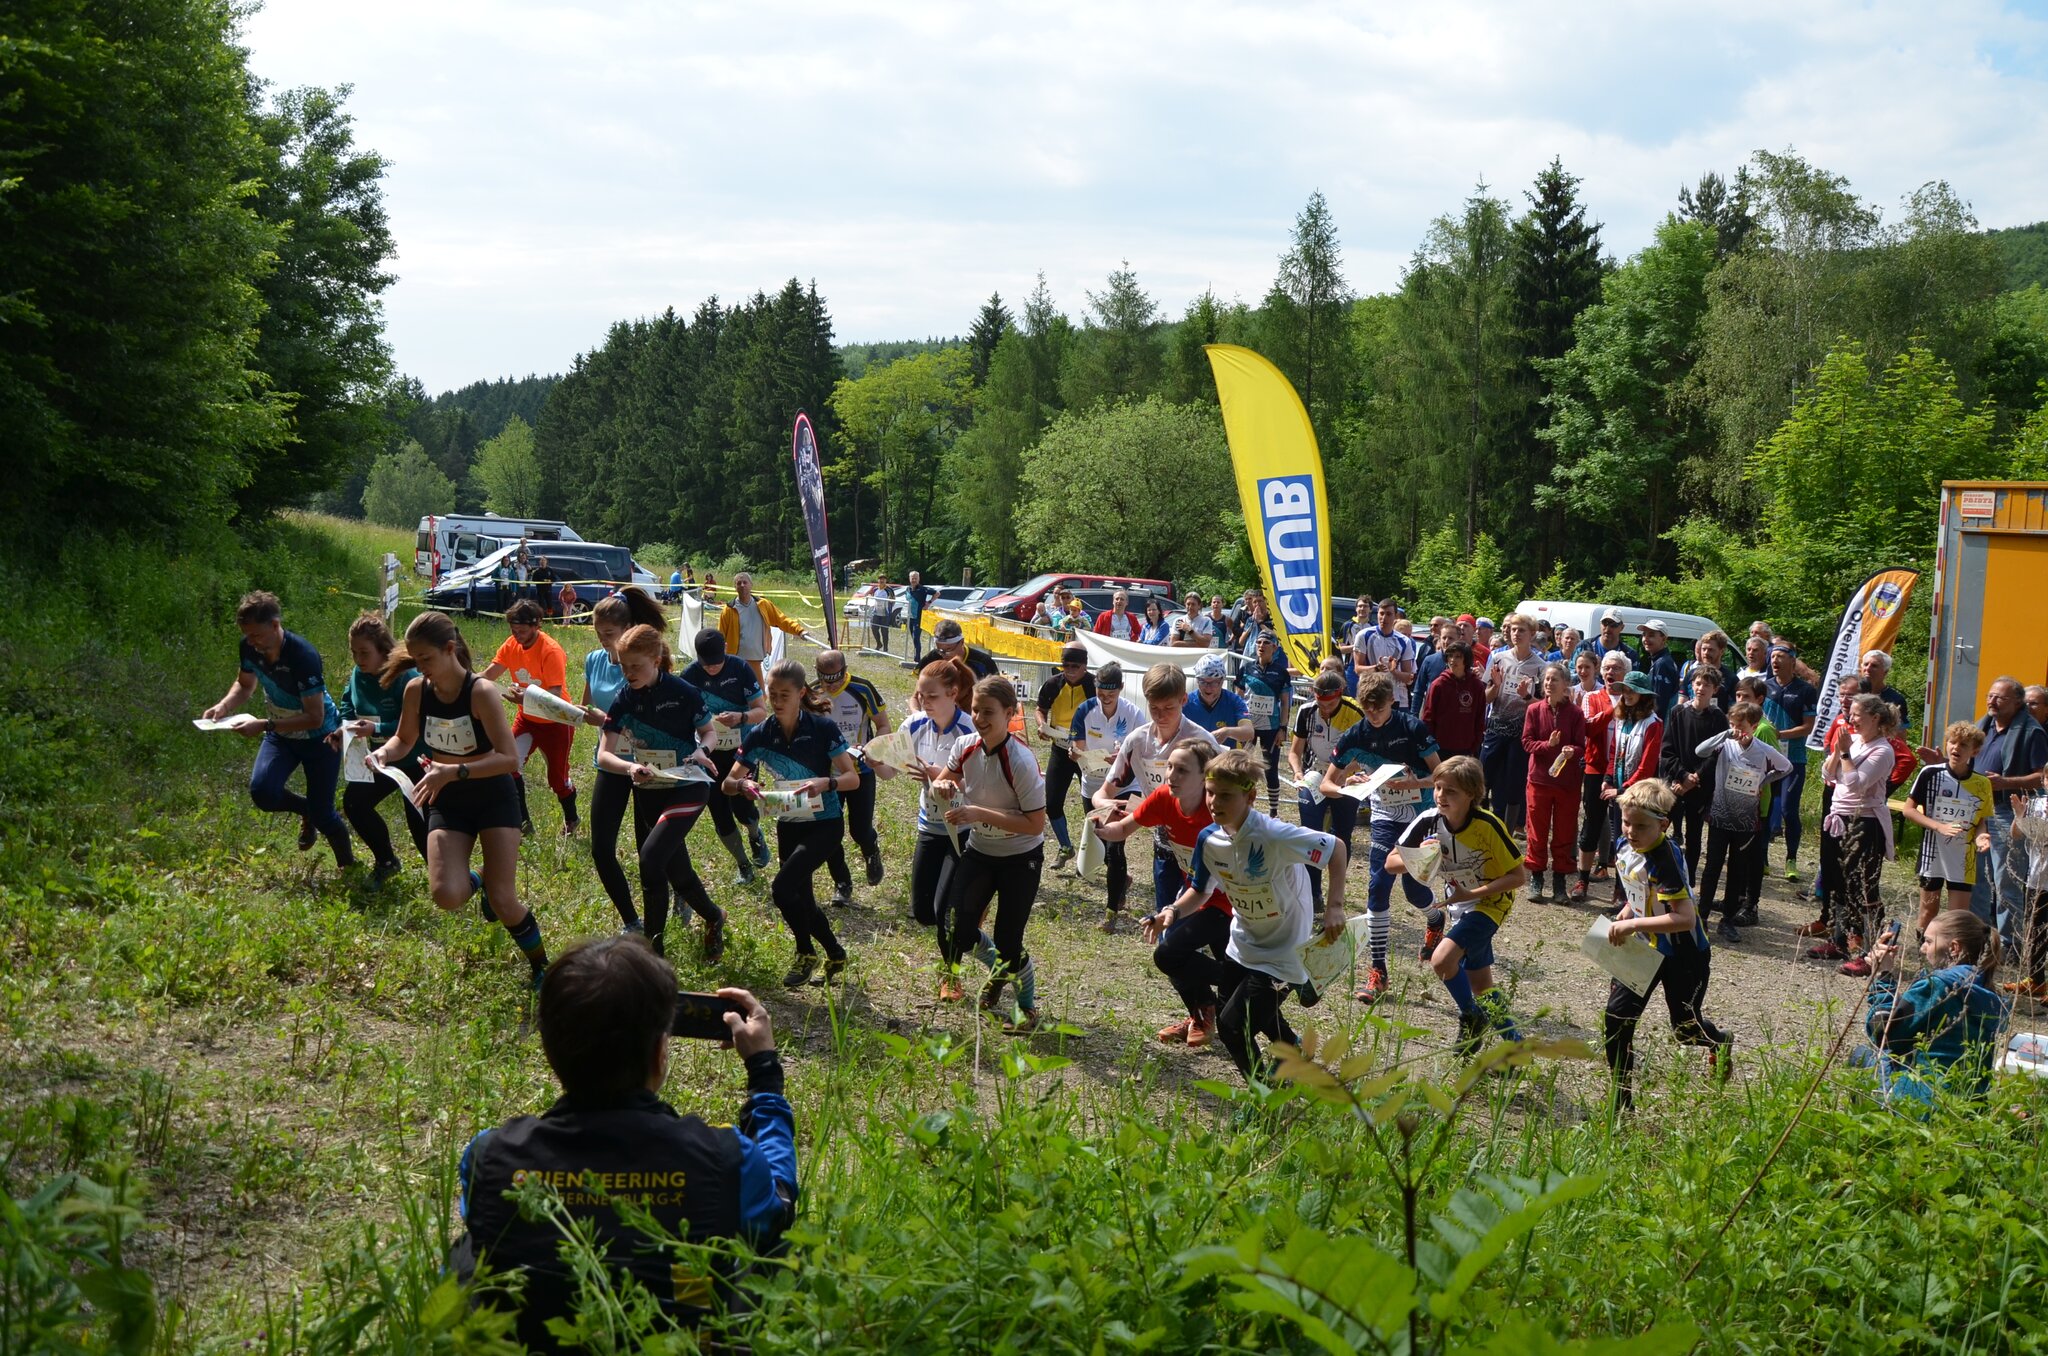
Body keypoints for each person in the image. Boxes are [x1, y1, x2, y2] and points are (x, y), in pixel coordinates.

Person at [451, 940, 793, 1346]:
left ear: (548, 1049)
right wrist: (764, 1072)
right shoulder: (725, 1159)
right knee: (761, 1254)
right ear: (660, 1054)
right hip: (674, 1341)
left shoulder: (491, 1157)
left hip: (539, 1340)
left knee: (470, 1249)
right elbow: (779, 1201)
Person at [367, 611, 548, 991]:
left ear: (450, 649)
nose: (420, 668)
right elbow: (403, 739)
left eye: (426, 659)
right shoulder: (416, 690)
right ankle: (476, 879)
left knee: (504, 899)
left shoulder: (480, 692)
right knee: (446, 895)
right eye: (415, 661)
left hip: (493, 798)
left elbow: (509, 758)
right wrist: (383, 753)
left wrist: (453, 770)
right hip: (447, 799)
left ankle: (542, 968)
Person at [1169, 748, 1348, 1083]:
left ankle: (1262, 1094)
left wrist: (1335, 906)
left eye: (1225, 795)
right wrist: (1172, 911)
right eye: (1210, 793)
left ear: (1250, 796)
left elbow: (1335, 848)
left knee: (1233, 1027)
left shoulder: (1274, 835)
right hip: (1243, 945)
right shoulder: (1209, 839)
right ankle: (1291, 1051)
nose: (1213, 802)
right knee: (1235, 1016)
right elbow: (1202, 891)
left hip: (1284, 953)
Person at [1600, 778, 1734, 1111]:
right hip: (1643, 949)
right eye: (1627, 822)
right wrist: (1627, 911)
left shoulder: (1667, 858)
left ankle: (1720, 1041)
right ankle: (1621, 1102)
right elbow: (1641, 891)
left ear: (1663, 825)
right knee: (1617, 1020)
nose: (1631, 831)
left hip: (1684, 954)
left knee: (1685, 1031)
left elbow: (1685, 918)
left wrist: (1632, 923)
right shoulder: (1623, 846)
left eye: (1641, 826)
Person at [722, 659, 858, 987]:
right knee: (803, 899)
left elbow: (852, 778)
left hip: (824, 823)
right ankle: (835, 954)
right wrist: (744, 786)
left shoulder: (822, 728)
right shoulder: (760, 733)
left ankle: (804, 952)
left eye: (785, 694)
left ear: (801, 694)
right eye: (773, 693)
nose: (778, 700)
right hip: (789, 821)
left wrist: (826, 783)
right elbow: (727, 783)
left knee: (782, 888)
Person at [597, 625, 725, 962]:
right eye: (623, 666)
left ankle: (653, 955)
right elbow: (603, 755)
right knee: (677, 873)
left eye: (635, 666)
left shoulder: (683, 691)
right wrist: (628, 769)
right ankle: (714, 917)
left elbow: (709, 733)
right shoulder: (624, 698)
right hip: (650, 788)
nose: (628, 674)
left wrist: (703, 752)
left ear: (656, 660)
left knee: (651, 859)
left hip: (688, 785)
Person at [200, 590, 353, 870]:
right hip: (281, 735)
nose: (252, 642)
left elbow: (315, 718)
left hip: (321, 738)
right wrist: (223, 706)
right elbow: (245, 685)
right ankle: (307, 810)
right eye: (247, 635)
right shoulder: (248, 647)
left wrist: (264, 725)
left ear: (275, 625)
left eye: (257, 635)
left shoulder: (302, 656)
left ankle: (348, 867)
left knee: (325, 814)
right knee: (263, 792)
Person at [1386, 755, 1527, 1058]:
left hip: (1489, 903)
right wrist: (1419, 858)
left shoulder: (1488, 826)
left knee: (1441, 960)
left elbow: (1518, 877)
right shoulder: (1428, 821)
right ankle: (1515, 1044)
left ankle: (1471, 1017)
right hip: (1459, 905)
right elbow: (1390, 864)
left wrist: (1472, 893)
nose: (1440, 796)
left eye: (1451, 791)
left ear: (1473, 795)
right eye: (1437, 788)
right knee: (1480, 984)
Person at [932, 675, 1050, 1031]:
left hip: (1021, 858)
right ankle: (1000, 971)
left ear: (1010, 713)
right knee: (959, 930)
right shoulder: (965, 745)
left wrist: (978, 813)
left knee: (1009, 940)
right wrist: (942, 784)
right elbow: (948, 776)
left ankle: (1026, 1007)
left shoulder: (1021, 761)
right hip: (980, 850)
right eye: (975, 711)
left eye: (989, 712)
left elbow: (1035, 824)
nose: (980, 718)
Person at [1320, 670, 1440, 1004]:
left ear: (1392, 701)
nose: (1373, 714)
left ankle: (1435, 918)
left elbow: (1440, 773)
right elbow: (1326, 784)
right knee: (1378, 886)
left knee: (1414, 888)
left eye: (1379, 708)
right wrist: (1350, 786)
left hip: (1419, 814)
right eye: (1367, 708)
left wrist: (1413, 784)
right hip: (1385, 815)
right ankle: (1378, 972)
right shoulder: (1356, 734)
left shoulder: (1411, 728)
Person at [1099, 740, 1229, 1047]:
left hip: (1232, 903)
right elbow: (1124, 827)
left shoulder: (1220, 814)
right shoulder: (1163, 798)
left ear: (1205, 778)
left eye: (1182, 770)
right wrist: (1103, 830)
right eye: (1169, 766)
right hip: (1196, 895)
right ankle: (1202, 1013)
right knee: (1170, 951)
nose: (1171, 775)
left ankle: (1248, 1001)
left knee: (1225, 974)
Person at [1099, 664, 1222, 932]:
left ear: (1183, 700)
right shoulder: (1137, 741)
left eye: (1169, 708)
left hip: (1205, 846)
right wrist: (1107, 807)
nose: (1161, 715)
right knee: (1168, 923)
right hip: (1165, 846)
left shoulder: (1203, 742)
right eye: (1154, 708)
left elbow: (1226, 796)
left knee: (1204, 926)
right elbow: (1103, 793)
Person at [577, 588, 670, 931]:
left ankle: (671, 902)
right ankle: (632, 922)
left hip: (649, 766)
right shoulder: (593, 660)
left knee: (652, 851)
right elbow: (588, 709)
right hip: (612, 764)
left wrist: (611, 721)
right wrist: (536, 699)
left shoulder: (646, 664)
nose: (603, 641)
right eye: (598, 634)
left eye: (609, 634)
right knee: (602, 849)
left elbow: (663, 716)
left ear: (629, 628)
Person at [1856, 912, 2008, 1110]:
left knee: (1860, 1055)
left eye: (1928, 941)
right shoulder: (1985, 990)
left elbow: (1883, 1033)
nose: (1922, 949)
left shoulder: (1939, 986)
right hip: (1967, 1104)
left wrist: (1882, 976)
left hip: (1923, 1102)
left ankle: (1870, 1132)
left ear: (1954, 948)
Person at [879, 659, 976, 936]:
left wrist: (939, 776)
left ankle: (953, 965)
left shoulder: (969, 731)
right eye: (921, 695)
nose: (924, 702)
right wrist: (875, 762)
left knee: (944, 911)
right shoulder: (913, 724)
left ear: (953, 694)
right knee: (923, 913)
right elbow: (889, 773)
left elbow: (981, 789)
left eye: (932, 696)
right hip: (930, 825)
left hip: (962, 829)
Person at [1950, 676, 2048, 947]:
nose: (1992, 701)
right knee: (1977, 878)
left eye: (1999, 698)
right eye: (1990, 696)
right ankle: (1980, 939)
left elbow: (2042, 776)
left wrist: (2006, 782)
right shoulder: (1982, 727)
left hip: (2007, 812)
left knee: (2007, 881)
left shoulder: (2031, 732)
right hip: (1978, 809)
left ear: (2017, 703)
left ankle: (2010, 945)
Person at [333, 612, 427, 881]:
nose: (358, 660)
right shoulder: (358, 673)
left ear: (383, 650)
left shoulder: (405, 677)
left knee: (421, 827)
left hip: (415, 759)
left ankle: (451, 883)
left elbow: (414, 725)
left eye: (364, 653)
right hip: (380, 758)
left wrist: (378, 729)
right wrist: (346, 726)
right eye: (354, 653)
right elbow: (347, 702)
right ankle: (386, 861)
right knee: (354, 803)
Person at [1691, 702, 1792, 943]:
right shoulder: (1726, 743)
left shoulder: (1763, 749)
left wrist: (1763, 782)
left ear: (1754, 726)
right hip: (1719, 815)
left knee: (1737, 870)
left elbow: (1785, 767)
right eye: (1733, 724)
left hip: (1746, 821)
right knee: (1712, 867)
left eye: (1742, 726)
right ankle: (1701, 917)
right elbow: (1699, 751)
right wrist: (1725, 733)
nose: (1737, 730)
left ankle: (1727, 920)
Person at [481, 600, 579, 838]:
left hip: (556, 722)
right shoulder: (512, 643)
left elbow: (555, 695)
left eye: (522, 631)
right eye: (513, 631)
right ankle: (523, 823)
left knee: (557, 779)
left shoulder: (551, 650)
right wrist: (464, 683)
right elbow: (490, 674)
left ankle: (572, 818)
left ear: (538, 625)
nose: (517, 636)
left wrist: (525, 699)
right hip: (527, 720)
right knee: (509, 764)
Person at [683, 628, 772, 882]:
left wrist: (741, 717)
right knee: (720, 814)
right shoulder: (689, 675)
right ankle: (743, 865)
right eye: (706, 664)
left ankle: (755, 834)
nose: (712, 668)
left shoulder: (740, 669)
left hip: (742, 750)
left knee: (743, 808)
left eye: (717, 663)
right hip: (709, 753)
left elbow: (760, 710)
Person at [1825, 693, 1901, 978]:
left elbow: (1856, 784)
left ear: (1875, 718)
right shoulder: (1853, 741)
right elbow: (1829, 775)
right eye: (1851, 713)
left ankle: (1871, 953)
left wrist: (1844, 754)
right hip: (1840, 818)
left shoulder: (1883, 751)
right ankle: (1841, 941)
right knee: (1839, 883)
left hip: (1866, 824)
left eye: (1857, 714)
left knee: (1864, 890)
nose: (1852, 718)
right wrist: (1837, 751)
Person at [1901, 722, 1995, 938]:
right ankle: (1923, 954)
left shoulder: (1982, 783)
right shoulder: (1930, 773)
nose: (1956, 748)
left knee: (1957, 916)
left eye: (1963, 745)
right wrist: (1938, 826)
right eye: (1952, 742)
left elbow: (1981, 821)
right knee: (1928, 911)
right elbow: (1908, 810)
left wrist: (1982, 837)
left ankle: (1950, 961)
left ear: (1975, 751)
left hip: (1963, 859)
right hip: (1932, 854)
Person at [812, 649, 891, 906]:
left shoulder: (862, 688)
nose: (830, 685)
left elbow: (883, 724)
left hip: (860, 772)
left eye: (835, 678)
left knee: (860, 830)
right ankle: (842, 884)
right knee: (830, 834)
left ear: (845, 670)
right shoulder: (812, 692)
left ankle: (871, 850)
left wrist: (872, 748)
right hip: (828, 775)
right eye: (824, 679)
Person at [1072, 662, 1147, 918]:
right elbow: (1078, 746)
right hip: (1093, 785)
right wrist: (1076, 753)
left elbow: (1143, 749)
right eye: (1100, 694)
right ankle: (1122, 880)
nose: (1105, 699)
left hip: (1128, 785)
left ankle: (1111, 910)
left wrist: (1122, 756)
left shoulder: (1134, 713)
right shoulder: (1084, 710)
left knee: (1116, 845)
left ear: (1121, 689)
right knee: (1102, 841)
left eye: (1111, 695)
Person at [1289, 670, 1365, 913]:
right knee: (1310, 834)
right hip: (1315, 775)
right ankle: (1313, 893)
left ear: (1340, 695)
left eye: (1330, 704)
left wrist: (1345, 771)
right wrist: (1297, 772)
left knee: (1342, 835)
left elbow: (1365, 755)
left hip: (1347, 778)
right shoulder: (1307, 712)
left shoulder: (1355, 713)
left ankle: (1337, 894)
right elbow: (1294, 751)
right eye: (1320, 703)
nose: (1324, 709)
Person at [1521, 663, 1585, 905]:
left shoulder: (1576, 713)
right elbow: (1526, 743)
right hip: (1539, 780)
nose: (1548, 683)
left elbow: (1582, 746)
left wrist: (1572, 750)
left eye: (1554, 680)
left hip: (1567, 783)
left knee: (1564, 831)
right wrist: (1547, 745)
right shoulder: (1534, 710)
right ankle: (1536, 877)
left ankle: (1559, 881)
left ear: (1565, 684)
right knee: (1536, 831)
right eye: (1546, 679)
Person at [1659, 666, 1730, 881]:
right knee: (1661, 827)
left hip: (1700, 787)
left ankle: (1687, 881)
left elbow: (1718, 754)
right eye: (1698, 683)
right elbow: (1667, 751)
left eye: (1707, 685)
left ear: (1715, 689)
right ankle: (1661, 875)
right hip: (1675, 784)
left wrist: (1694, 779)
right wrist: (1681, 776)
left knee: (1694, 836)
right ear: (1691, 685)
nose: (1701, 688)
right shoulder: (1677, 712)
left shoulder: (1718, 718)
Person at [1602, 671, 1665, 907]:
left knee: (1637, 844)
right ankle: (1621, 890)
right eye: (1625, 690)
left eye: (1632, 690)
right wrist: (1608, 778)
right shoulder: (1621, 720)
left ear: (1644, 695)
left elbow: (1647, 766)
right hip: (1619, 792)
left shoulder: (1653, 724)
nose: (1627, 695)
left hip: (1638, 795)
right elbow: (1613, 753)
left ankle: (1635, 896)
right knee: (1621, 843)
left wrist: (1622, 790)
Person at [1570, 650, 1628, 903]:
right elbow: (1588, 728)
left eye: (1616, 668)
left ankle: (1620, 887)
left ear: (1625, 673)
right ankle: (1582, 878)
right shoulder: (1592, 696)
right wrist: (1611, 712)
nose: (1610, 673)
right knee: (1592, 821)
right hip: (1595, 767)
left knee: (1623, 828)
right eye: (1606, 668)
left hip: (1622, 772)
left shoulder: (1632, 698)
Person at [1480, 613, 1545, 833]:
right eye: (1513, 629)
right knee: (1484, 777)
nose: (1515, 634)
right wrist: (1495, 686)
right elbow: (1485, 698)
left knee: (1513, 783)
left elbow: (1543, 706)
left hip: (1521, 731)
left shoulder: (1540, 666)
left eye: (1521, 630)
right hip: (1496, 727)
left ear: (1532, 634)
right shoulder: (1498, 658)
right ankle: (1481, 823)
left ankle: (1507, 831)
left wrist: (1527, 697)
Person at [1034, 644, 1097, 870]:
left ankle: (1093, 854)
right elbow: (1040, 709)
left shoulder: (1094, 685)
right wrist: (1042, 725)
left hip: (1086, 752)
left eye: (1075, 666)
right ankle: (1065, 847)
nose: (1069, 670)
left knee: (1093, 807)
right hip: (1059, 749)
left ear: (1085, 665)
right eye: (1065, 665)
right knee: (1051, 803)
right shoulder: (1053, 684)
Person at [1765, 643, 1819, 883]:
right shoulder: (1764, 687)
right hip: (1766, 757)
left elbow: (1809, 726)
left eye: (1780, 656)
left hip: (1793, 758)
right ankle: (1763, 858)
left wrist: (1781, 735)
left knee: (1788, 809)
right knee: (1764, 808)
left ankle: (1791, 858)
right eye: (1772, 656)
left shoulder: (1805, 690)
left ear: (1792, 661)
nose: (1775, 661)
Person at [1236, 630, 1293, 816]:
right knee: (1243, 766)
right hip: (1249, 727)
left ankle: (1273, 811)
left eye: (1266, 643)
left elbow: (1285, 703)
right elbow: (1239, 698)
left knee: (1271, 769)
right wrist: (1239, 724)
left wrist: (1283, 728)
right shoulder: (1246, 668)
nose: (1261, 646)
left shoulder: (1281, 673)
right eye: (1258, 642)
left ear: (1274, 647)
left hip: (1271, 727)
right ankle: (1243, 806)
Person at [718, 573, 808, 685]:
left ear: (751, 585)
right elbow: (720, 636)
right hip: (735, 659)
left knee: (760, 694)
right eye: (738, 583)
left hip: (755, 658)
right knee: (735, 692)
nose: (742, 585)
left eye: (745, 582)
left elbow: (781, 620)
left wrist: (799, 630)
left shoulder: (763, 605)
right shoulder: (728, 610)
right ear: (735, 587)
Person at [1421, 640, 1487, 760]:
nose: (1453, 660)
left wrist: (1474, 746)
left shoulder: (1476, 685)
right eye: (1450, 656)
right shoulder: (1438, 684)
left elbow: (1480, 718)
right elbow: (1428, 717)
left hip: (1466, 747)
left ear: (1466, 660)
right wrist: (1430, 745)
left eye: (1458, 656)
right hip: (1440, 747)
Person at [1185, 652, 1254, 746]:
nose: (1208, 688)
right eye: (1203, 682)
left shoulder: (1234, 701)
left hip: (1225, 758)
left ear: (1222, 681)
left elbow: (1249, 732)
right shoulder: (1186, 702)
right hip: (1195, 756)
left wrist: (1227, 731)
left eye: (1214, 683)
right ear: (1197, 680)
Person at [917, 617, 998, 687]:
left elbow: (997, 691)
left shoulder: (983, 662)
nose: (943, 655)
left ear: (962, 642)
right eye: (939, 650)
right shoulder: (931, 659)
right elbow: (919, 690)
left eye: (949, 649)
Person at [1860, 650, 1914, 734]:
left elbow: (1900, 735)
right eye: (1866, 664)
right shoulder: (1853, 693)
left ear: (1885, 672)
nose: (1868, 669)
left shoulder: (1895, 699)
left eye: (1874, 666)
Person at [1637, 619, 1682, 716]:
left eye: (1651, 635)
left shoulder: (1662, 663)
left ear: (1664, 639)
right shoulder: (1659, 660)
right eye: (1644, 634)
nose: (1645, 639)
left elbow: (1659, 702)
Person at [1573, 608, 1639, 669]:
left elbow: (1632, 680)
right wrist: (1591, 672)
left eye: (1613, 625)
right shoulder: (1584, 646)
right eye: (1605, 623)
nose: (1607, 629)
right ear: (1600, 624)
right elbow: (1572, 673)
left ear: (1622, 627)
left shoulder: (1629, 654)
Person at [904, 570, 935, 662]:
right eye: (912, 578)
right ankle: (915, 654)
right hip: (910, 617)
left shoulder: (923, 589)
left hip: (919, 617)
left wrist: (928, 603)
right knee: (912, 636)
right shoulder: (907, 589)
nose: (914, 580)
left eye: (915, 578)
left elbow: (937, 593)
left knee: (916, 637)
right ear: (909, 579)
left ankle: (917, 658)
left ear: (919, 579)